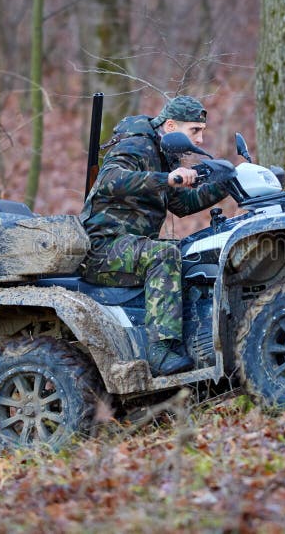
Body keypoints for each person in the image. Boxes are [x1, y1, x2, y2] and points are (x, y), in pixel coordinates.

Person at [79, 96, 228, 376]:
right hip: (104, 248)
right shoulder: (135, 144)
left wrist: (228, 183)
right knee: (165, 254)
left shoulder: (162, 154)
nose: (200, 139)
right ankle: (159, 350)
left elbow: (183, 205)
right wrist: (167, 178)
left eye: (202, 131)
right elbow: (110, 180)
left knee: (190, 251)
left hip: (131, 246)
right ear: (171, 126)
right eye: (195, 131)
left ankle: (195, 337)